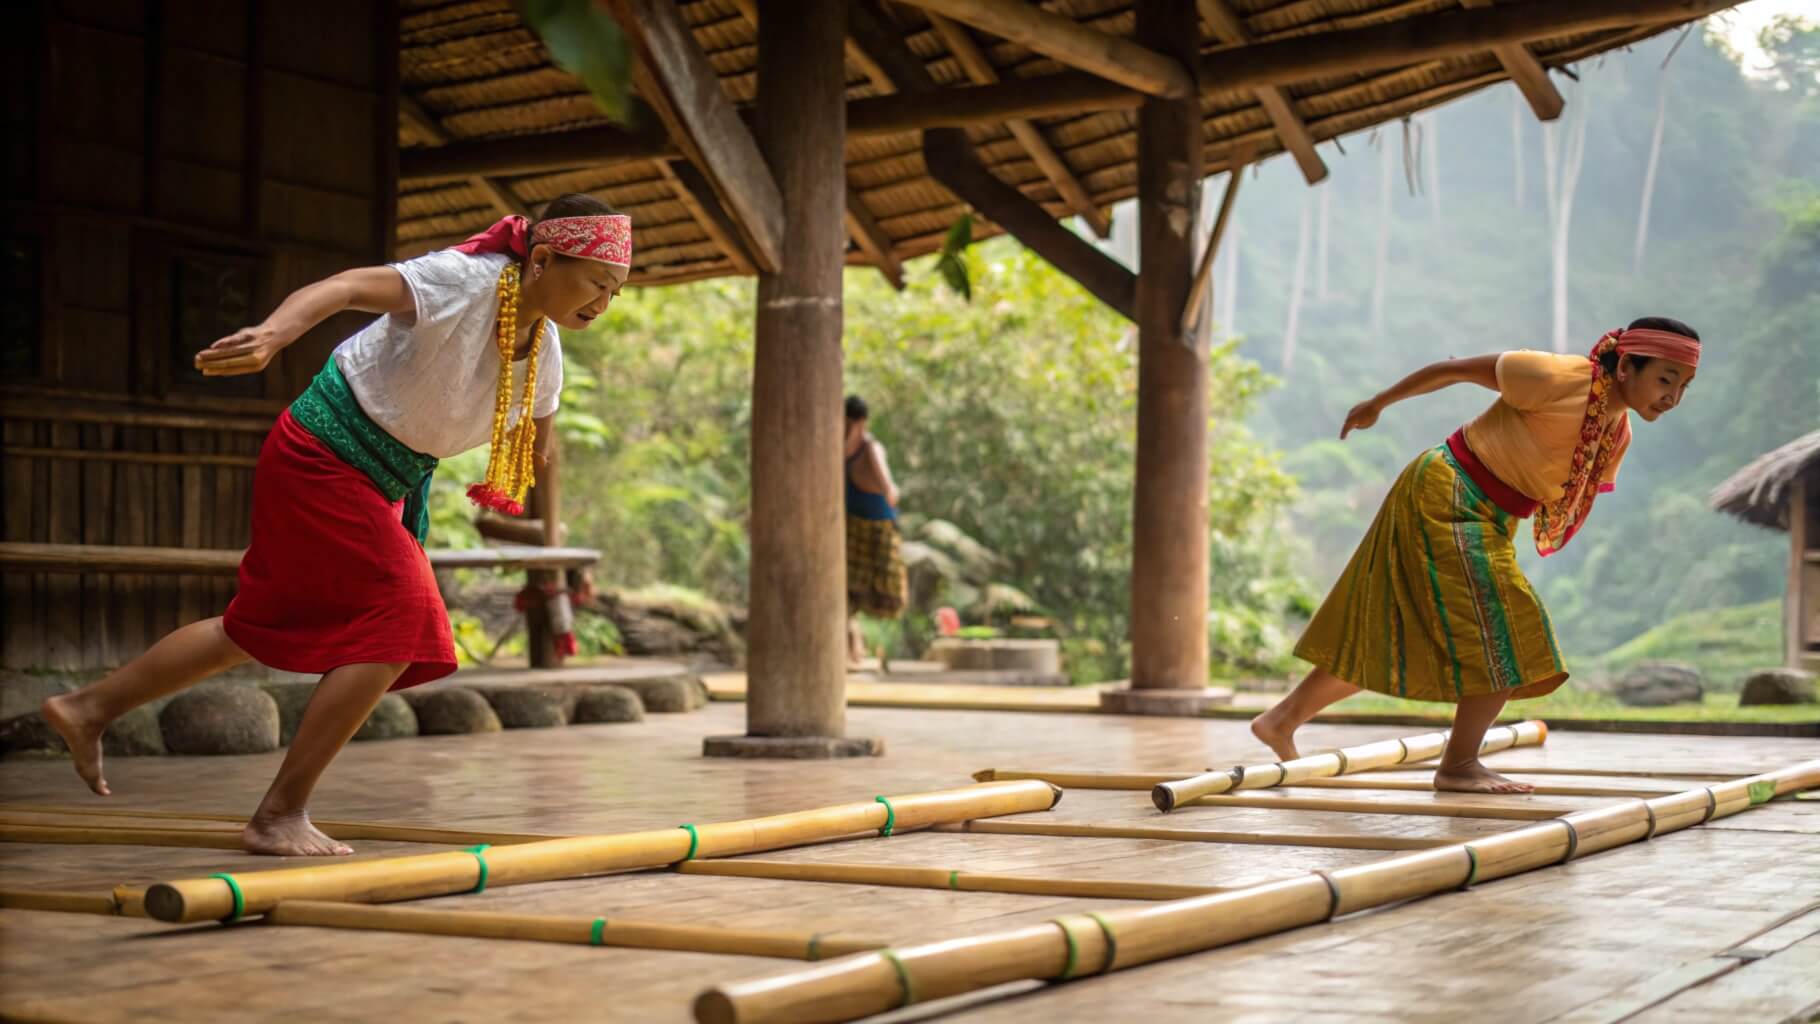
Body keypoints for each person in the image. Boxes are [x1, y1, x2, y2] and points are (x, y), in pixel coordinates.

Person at [40, 194, 632, 855]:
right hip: (322, 453)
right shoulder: (462, 281)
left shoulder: (545, 350)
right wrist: (274, 334)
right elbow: (347, 287)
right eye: (597, 282)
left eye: (615, 291)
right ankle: (278, 814)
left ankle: (87, 709)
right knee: (404, 621)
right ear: (543, 259)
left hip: (385, 481)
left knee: (255, 629)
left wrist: (534, 456)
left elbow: (538, 431)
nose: (604, 302)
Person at [1250, 318, 1701, 793]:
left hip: (1492, 517)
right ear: (1626, 366)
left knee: (1397, 631)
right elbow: (1454, 369)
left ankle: (1280, 721)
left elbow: (1545, 480)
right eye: (1665, 379)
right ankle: (1458, 766)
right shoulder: (1557, 376)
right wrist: (1377, 404)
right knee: (1511, 629)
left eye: (1684, 386)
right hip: (1445, 492)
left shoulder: (1617, 434)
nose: (1673, 397)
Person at [843, 395, 907, 667]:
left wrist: (890, 490)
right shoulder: (836, 448)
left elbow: (888, 487)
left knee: (888, 592)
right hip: (851, 526)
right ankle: (853, 647)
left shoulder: (871, 448)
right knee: (846, 591)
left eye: (851, 424)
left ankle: (860, 649)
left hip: (878, 526)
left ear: (861, 423)